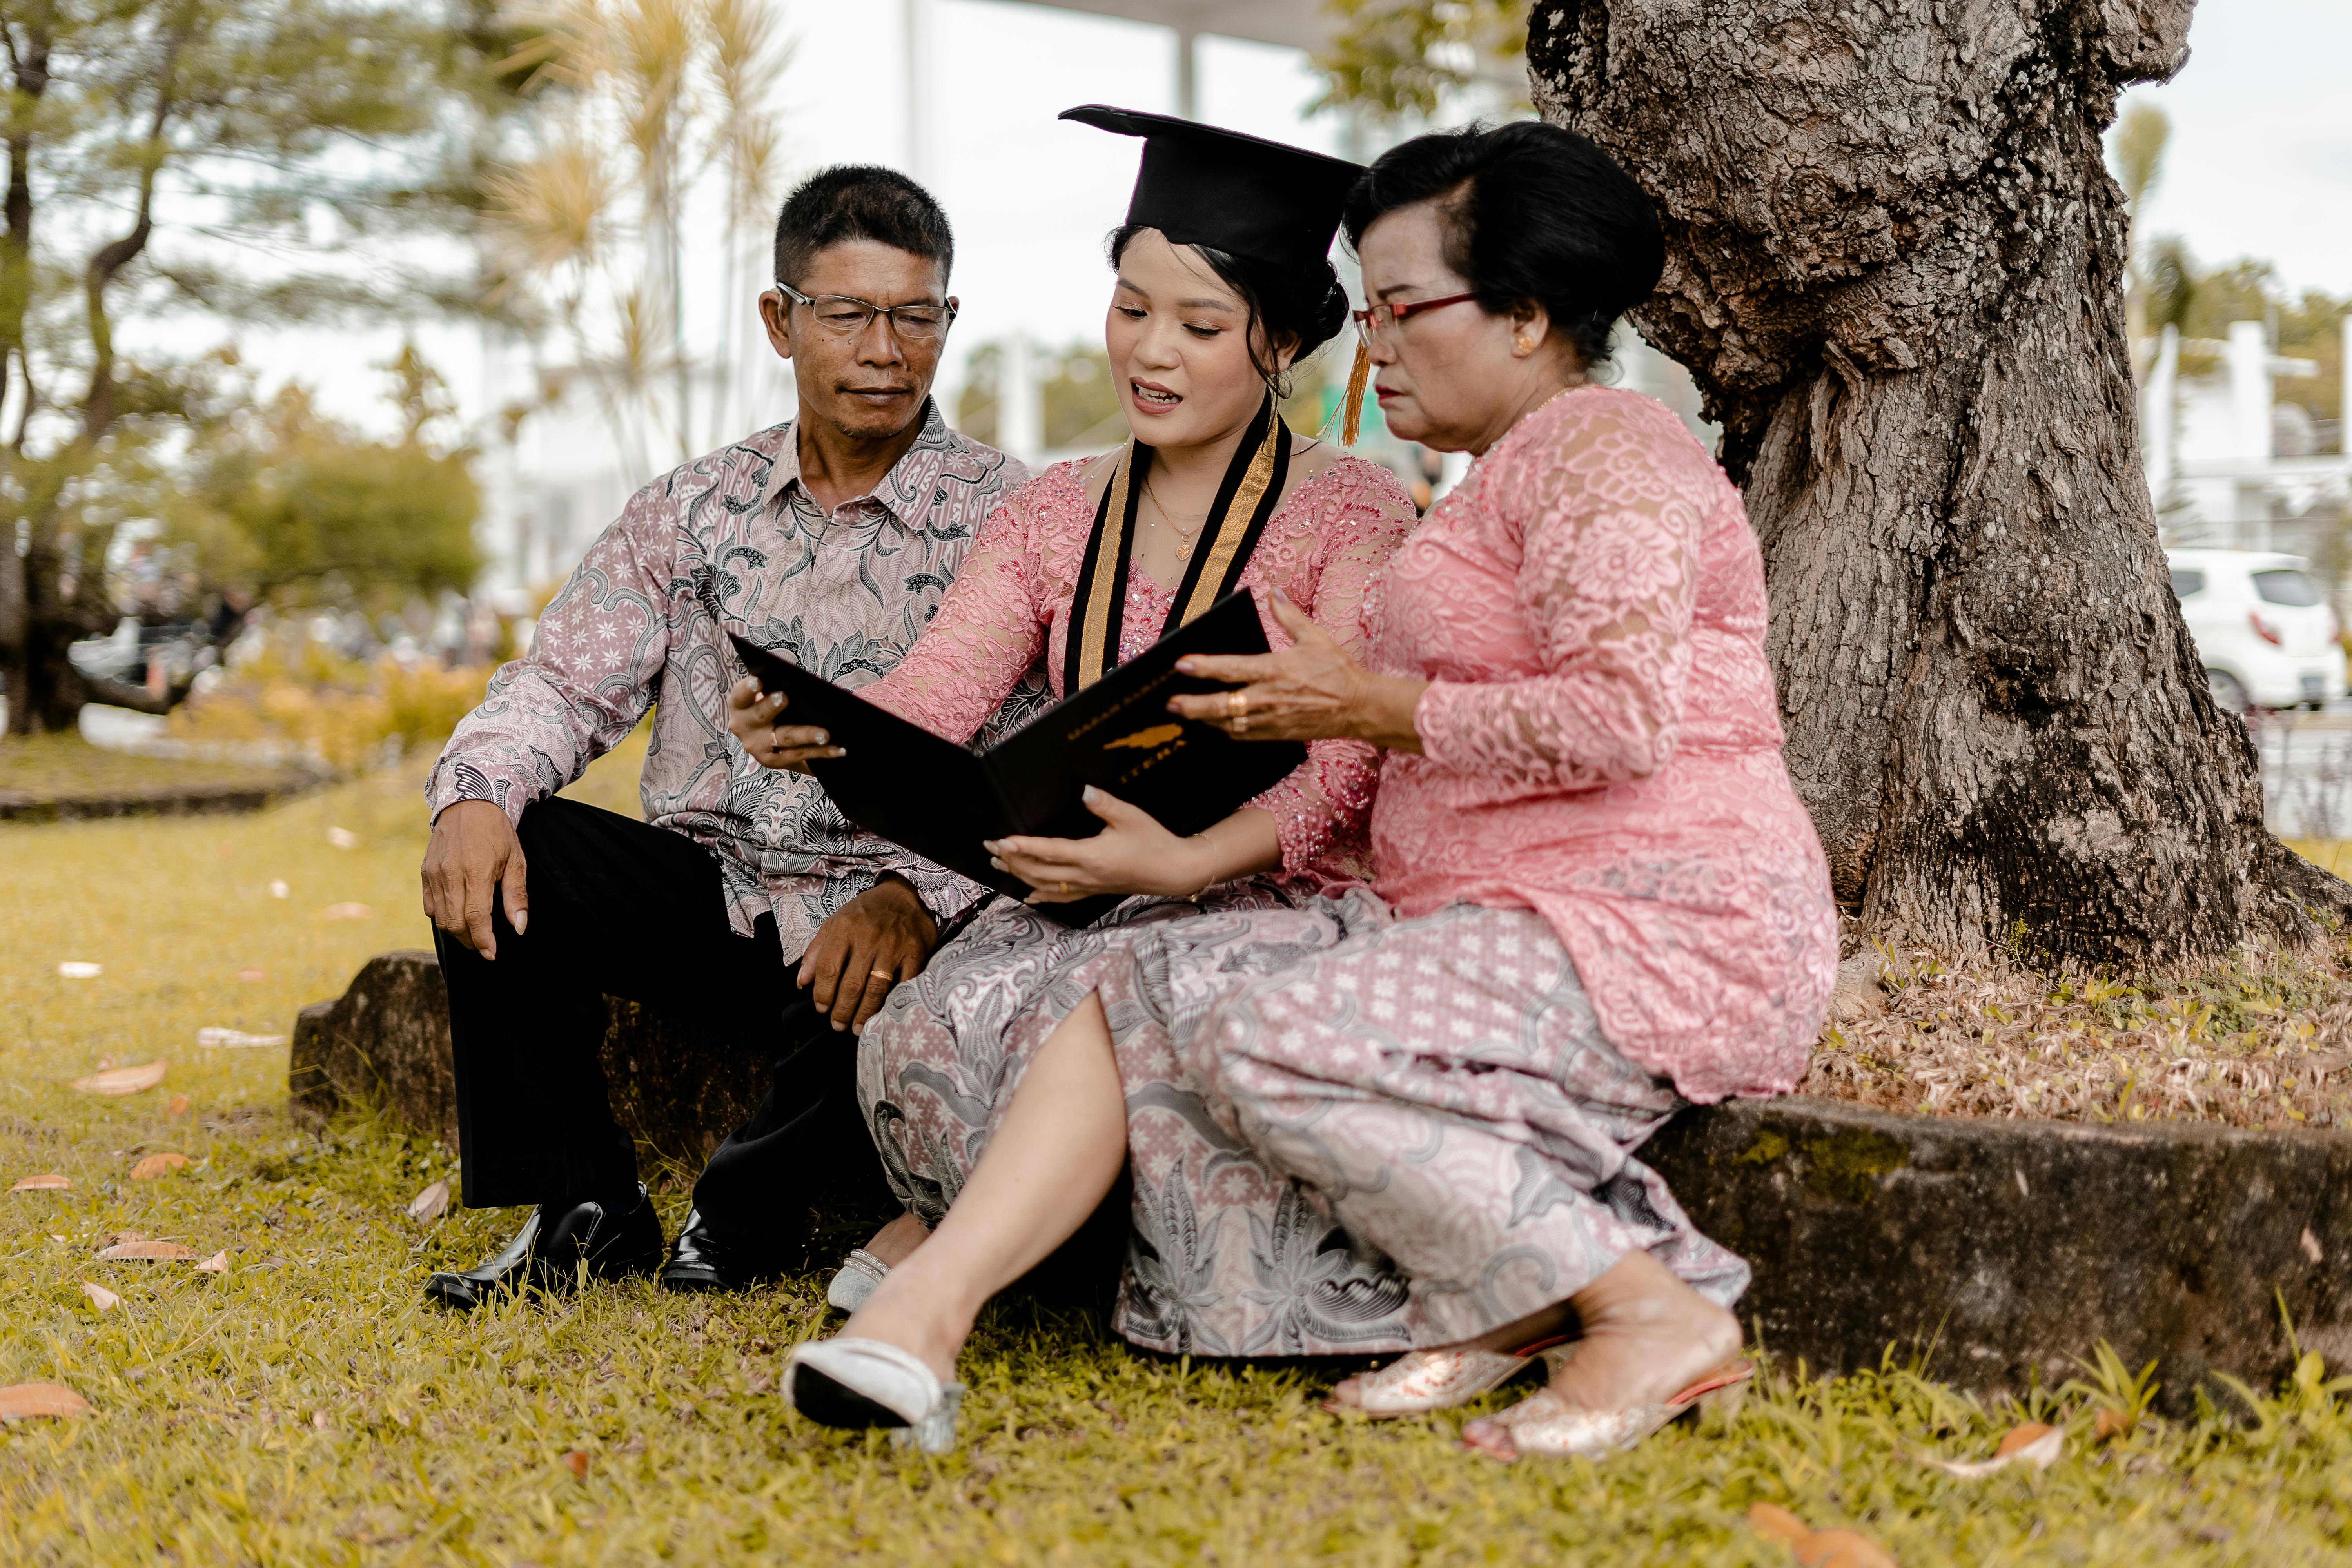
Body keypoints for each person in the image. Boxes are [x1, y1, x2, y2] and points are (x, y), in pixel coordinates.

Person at [726, 107, 1419, 1452]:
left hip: (1263, 888)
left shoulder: (1353, 514)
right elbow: (937, 695)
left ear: (1279, 341)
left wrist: (1179, 866)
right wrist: (826, 728)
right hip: (1086, 893)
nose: (1150, 351)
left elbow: (1345, 768)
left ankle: (929, 1290)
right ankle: (964, 1243)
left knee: (1118, 1015)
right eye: (1130, 306)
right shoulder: (1055, 511)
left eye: (1200, 326)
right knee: (933, 1029)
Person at [1154, 120, 1841, 1459]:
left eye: (1406, 309)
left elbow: (1618, 716)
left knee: (1268, 1042)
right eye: (1369, 311)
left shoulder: (1607, 451)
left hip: (1658, 918)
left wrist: (1368, 703)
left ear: (1526, 316)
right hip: (1525, 913)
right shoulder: (1504, 475)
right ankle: (1515, 1298)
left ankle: (1651, 1312)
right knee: (1218, 1001)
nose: (1378, 346)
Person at [417, 165, 1043, 1310]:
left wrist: (918, 893)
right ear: (781, 320)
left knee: (905, 980)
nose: (887, 350)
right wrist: (474, 794)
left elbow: (1034, 768)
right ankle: (583, 1204)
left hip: (892, 917)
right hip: (717, 895)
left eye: (919, 315)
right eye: (849, 314)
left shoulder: (1016, 520)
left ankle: (745, 1209)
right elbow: (562, 681)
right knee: (518, 844)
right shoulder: (689, 509)